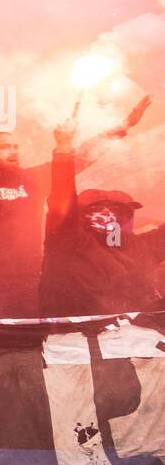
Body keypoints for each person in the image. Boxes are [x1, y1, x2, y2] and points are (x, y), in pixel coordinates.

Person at [0, 96, 150, 318]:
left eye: (16, 147)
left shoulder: (31, 180)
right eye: (5, 147)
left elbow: (77, 160)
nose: (13, 151)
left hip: (27, 283)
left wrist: (122, 127)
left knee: (31, 346)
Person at [38, 120, 165, 317]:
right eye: (106, 212)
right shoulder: (69, 243)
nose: (112, 218)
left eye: (122, 213)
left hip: (133, 344)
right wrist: (63, 150)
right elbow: (62, 201)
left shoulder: (135, 245)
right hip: (78, 344)